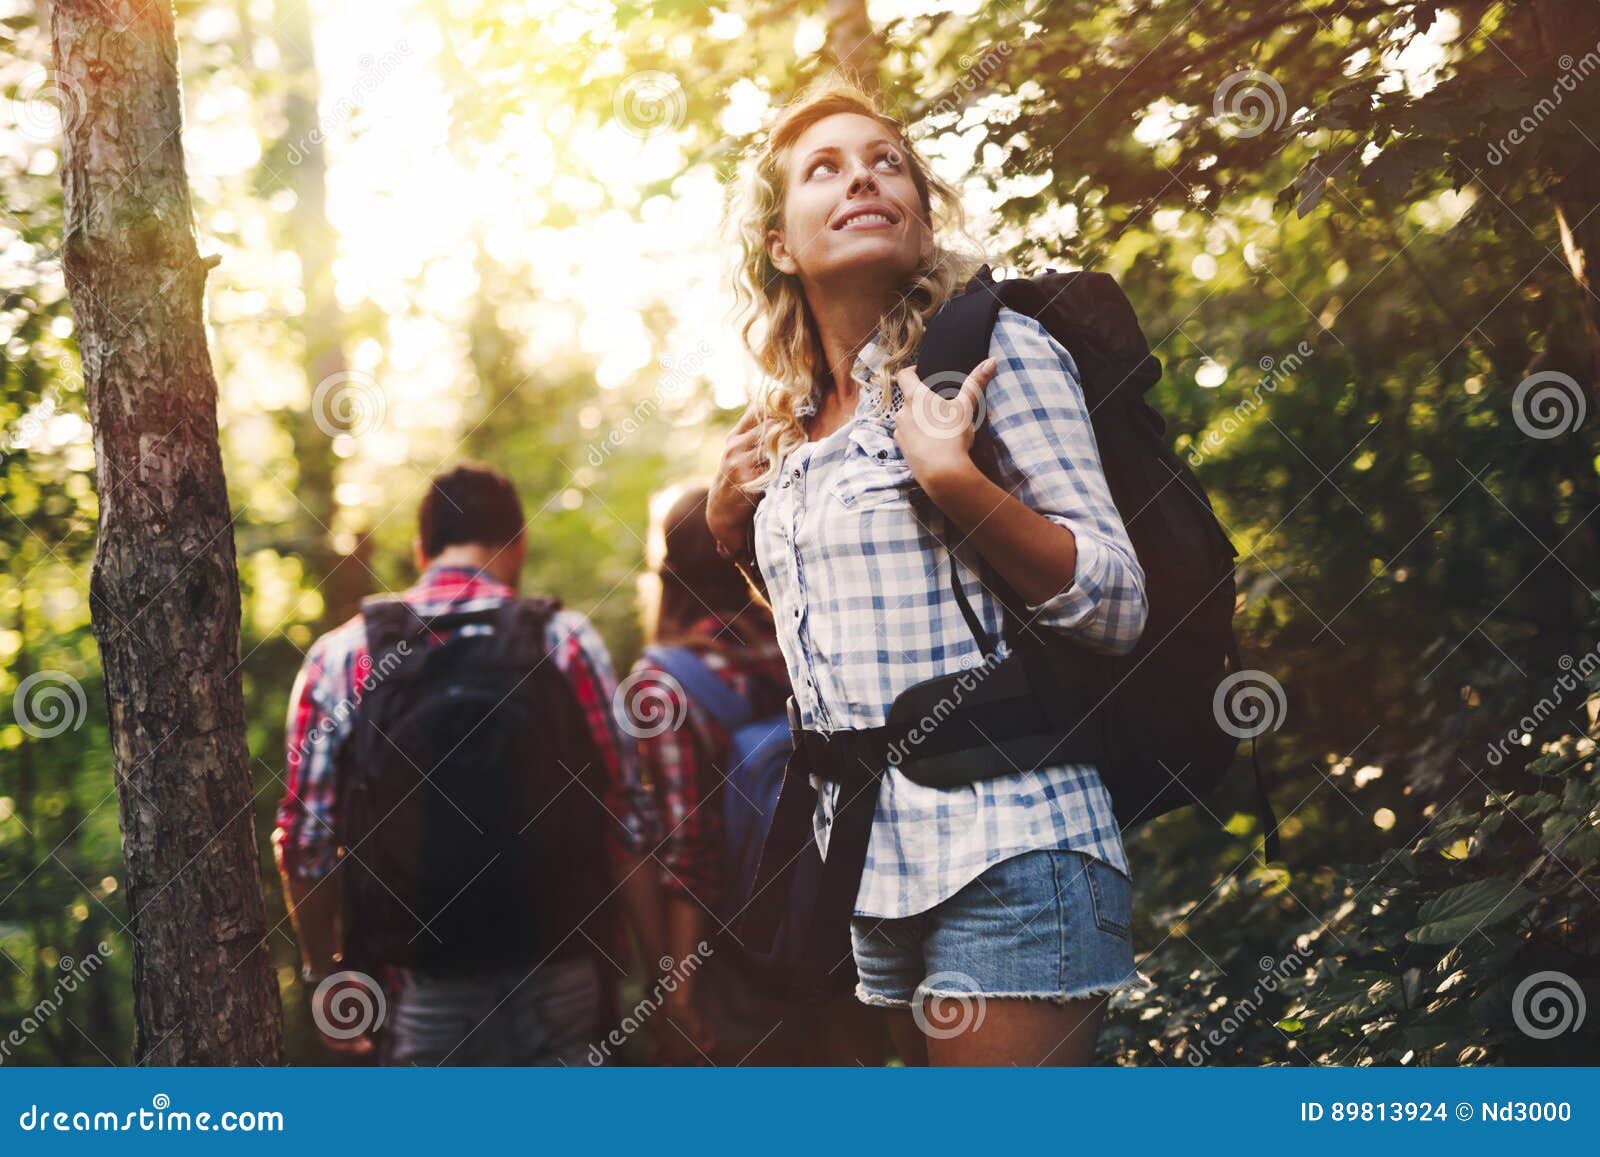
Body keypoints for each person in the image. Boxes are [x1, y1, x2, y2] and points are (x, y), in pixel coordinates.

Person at [707, 80, 1151, 1066]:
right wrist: (731, 534)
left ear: (919, 211)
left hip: (1014, 841)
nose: (863, 178)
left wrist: (954, 478)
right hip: (865, 863)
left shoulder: (995, 352)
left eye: (886, 163)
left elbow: (1116, 602)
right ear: (779, 244)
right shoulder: (786, 425)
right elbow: (848, 631)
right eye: (824, 170)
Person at [273, 463, 657, 1065]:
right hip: (559, 971)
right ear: (519, 544)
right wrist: (663, 972)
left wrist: (325, 975)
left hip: (417, 988)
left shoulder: (343, 655)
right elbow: (626, 816)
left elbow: (305, 843)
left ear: (421, 549)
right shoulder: (565, 641)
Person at [621, 484, 888, 1065]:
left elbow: (688, 850)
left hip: (737, 955)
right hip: (847, 925)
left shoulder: (665, 682)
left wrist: (677, 991)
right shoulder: (802, 642)